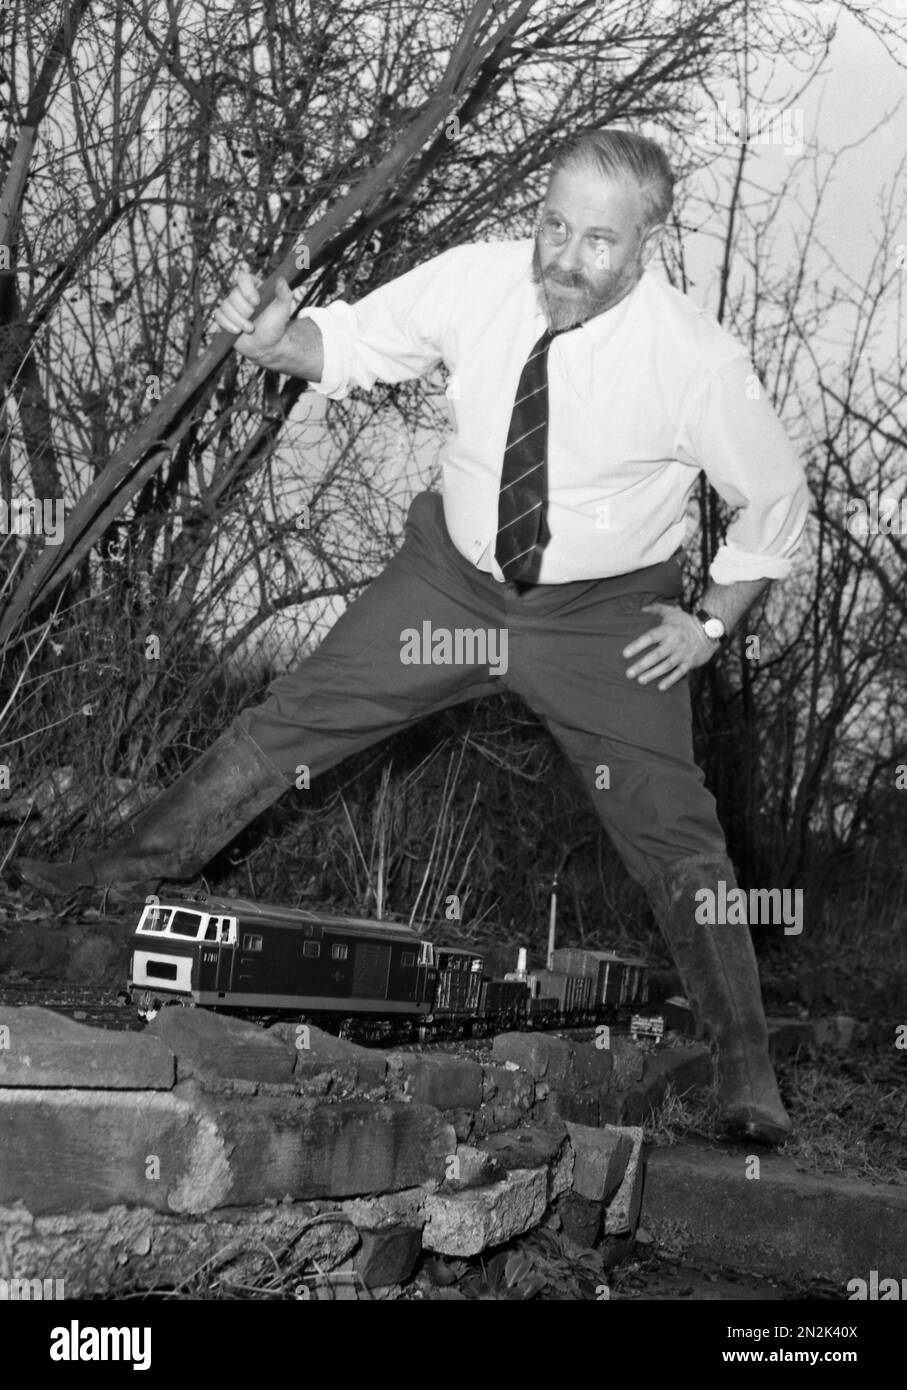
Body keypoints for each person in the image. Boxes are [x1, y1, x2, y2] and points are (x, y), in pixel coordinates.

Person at [14, 128, 810, 1144]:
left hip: (602, 621)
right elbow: (345, 342)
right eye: (551, 226)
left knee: (676, 833)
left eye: (596, 242)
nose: (563, 258)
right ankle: (121, 870)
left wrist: (706, 624)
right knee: (297, 719)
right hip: (452, 587)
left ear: (648, 242)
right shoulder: (478, 281)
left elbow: (774, 503)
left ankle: (745, 1070)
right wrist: (275, 339)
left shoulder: (696, 361)